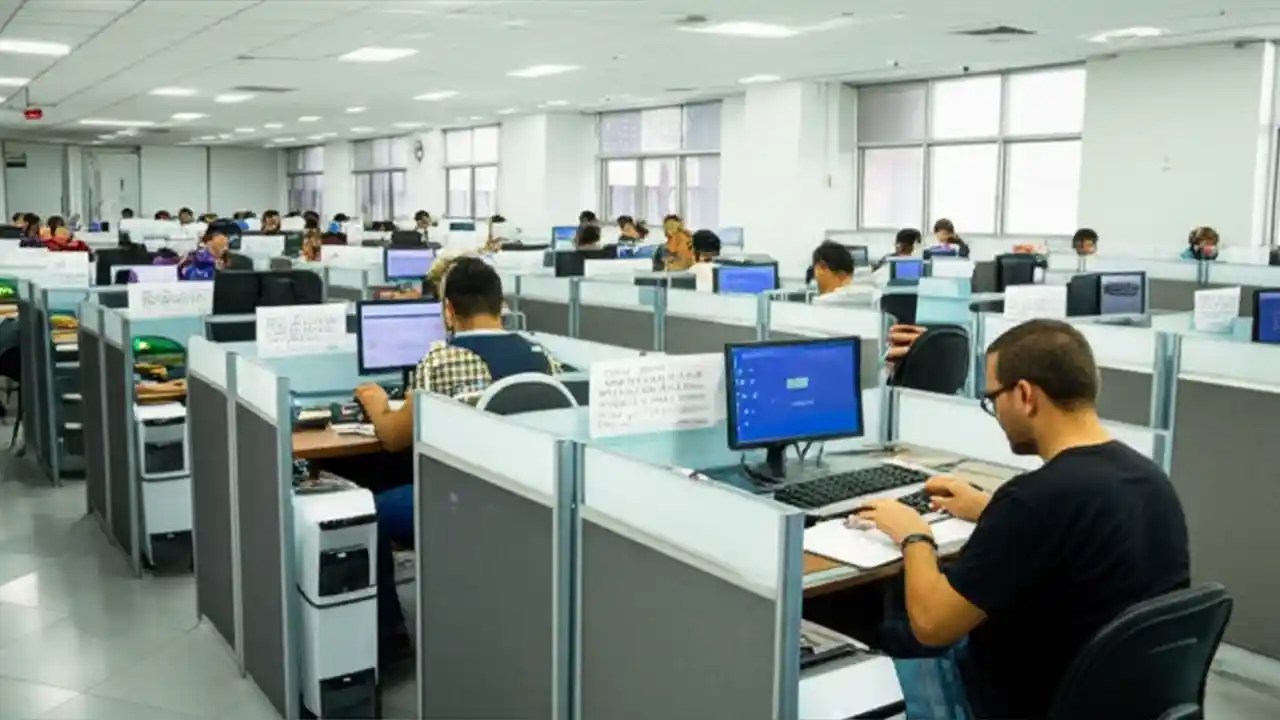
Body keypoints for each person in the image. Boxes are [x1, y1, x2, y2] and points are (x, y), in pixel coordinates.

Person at [854, 319, 1190, 719]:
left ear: (1026, 395)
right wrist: (989, 508)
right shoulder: (1148, 477)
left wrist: (913, 534)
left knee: (886, 624)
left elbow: (932, 624)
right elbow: (1070, 531)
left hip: (1035, 702)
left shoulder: (1035, 500)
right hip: (1120, 701)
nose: (994, 412)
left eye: (992, 398)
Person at [355, 257, 564, 659]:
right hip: (529, 504)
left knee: (372, 508)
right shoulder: (543, 358)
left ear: (448, 310)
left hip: (461, 503)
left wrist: (375, 399)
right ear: (501, 304)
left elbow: (395, 436)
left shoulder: (440, 360)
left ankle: (390, 638)